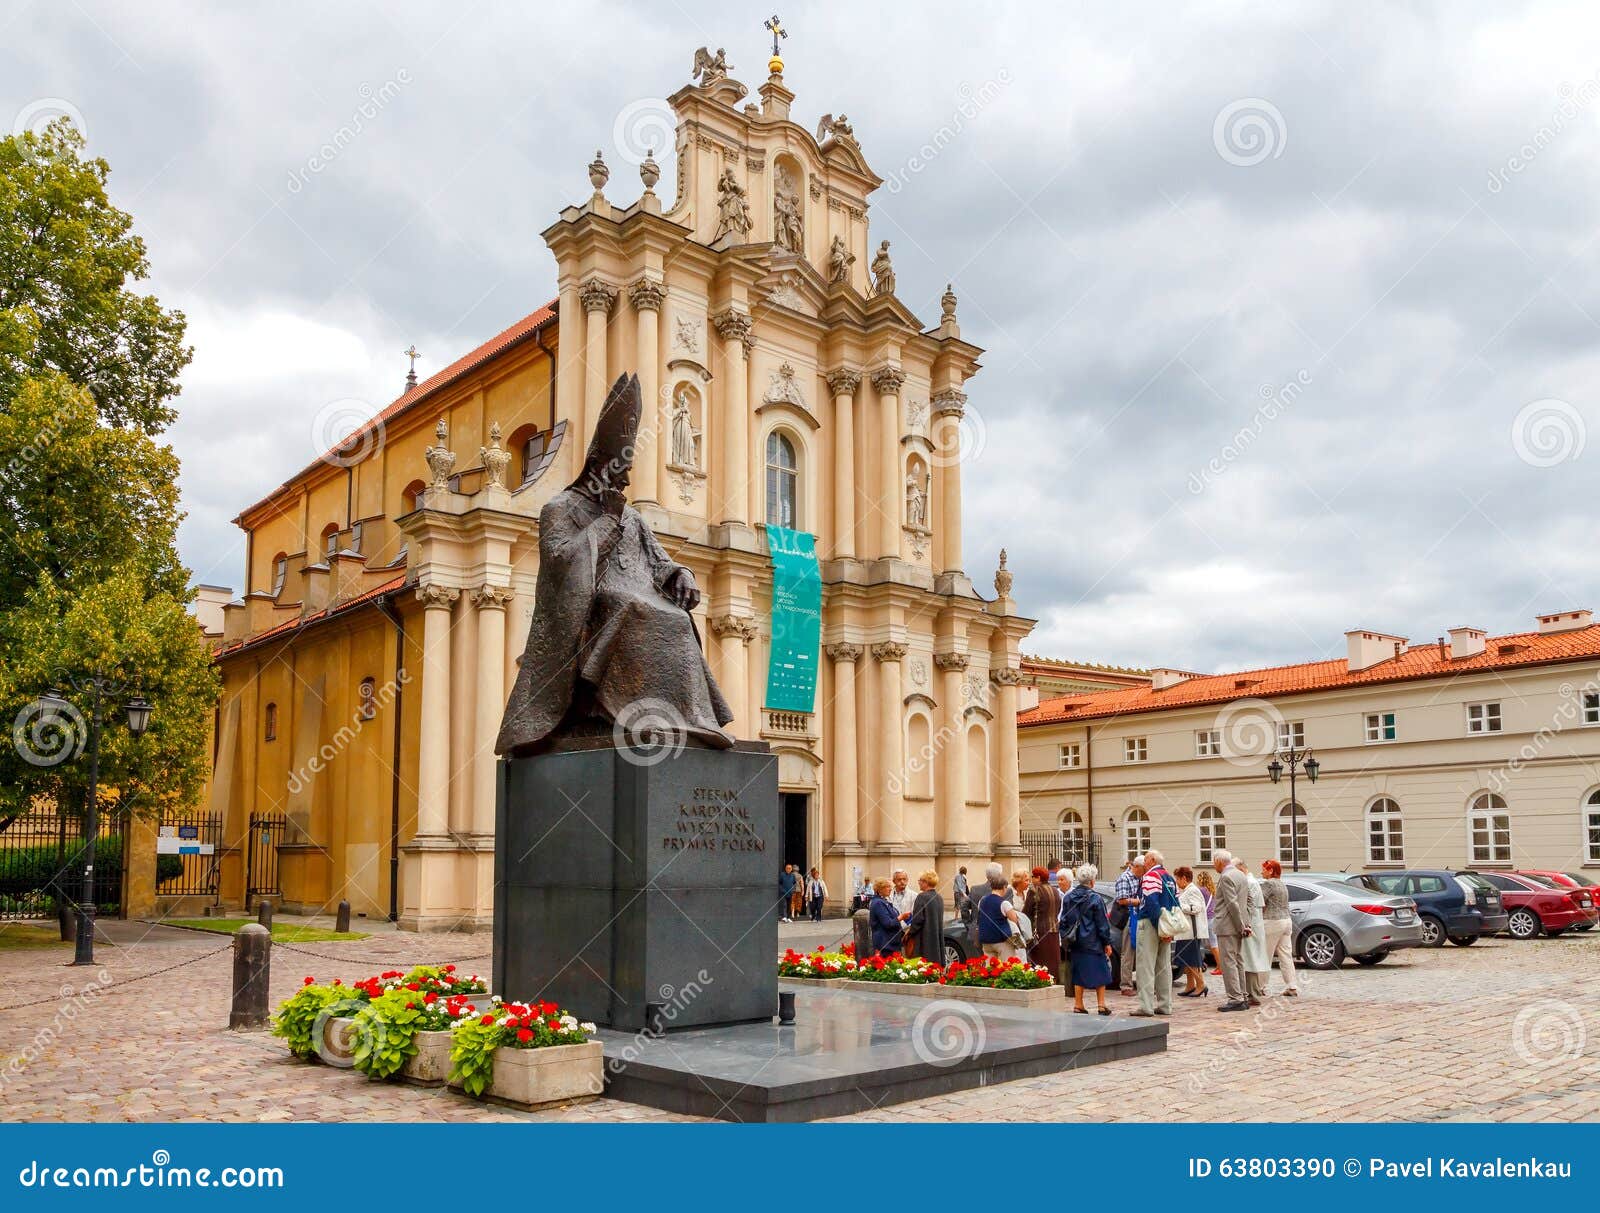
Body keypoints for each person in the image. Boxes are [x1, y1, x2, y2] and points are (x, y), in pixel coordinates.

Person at [1060, 864, 1115, 1015]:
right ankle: (1101, 1004)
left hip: (1075, 942)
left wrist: (1065, 937)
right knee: (1101, 972)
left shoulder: (1068, 897)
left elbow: (1063, 920)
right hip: (1093, 942)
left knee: (1078, 973)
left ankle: (1078, 1004)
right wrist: (1107, 942)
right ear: (1091, 881)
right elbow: (1102, 924)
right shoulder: (1096, 898)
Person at [1130, 849, 1177, 1018]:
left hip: (1150, 924)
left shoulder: (1151, 876)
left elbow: (1150, 903)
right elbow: (1174, 902)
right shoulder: (1169, 877)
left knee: (1145, 967)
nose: (1144, 861)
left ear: (1151, 860)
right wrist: (1168, 928)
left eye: (1146, 858)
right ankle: (1165, 1005)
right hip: (1166, 924)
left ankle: (1146, 1006)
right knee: (1164, 967)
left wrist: (1159, 926)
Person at [1212, 850, 1251, 1011]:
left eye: (1214, 862)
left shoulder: (1226, 877)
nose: (1214, 865)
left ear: (1220, 862)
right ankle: (1242, 995)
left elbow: (1232, 904)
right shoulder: (1241, 875)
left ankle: (1235, 998)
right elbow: (1247, 902)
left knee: (1228, 963)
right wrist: (1246, 924)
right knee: (1238, 961)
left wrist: (1241, 925)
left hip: (1228, 926)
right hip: (1237, 925)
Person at [1259, 859, 1299, 995]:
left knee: (1265, 955)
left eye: (1264, 869)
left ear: (1271, 871)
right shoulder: (1282, 884)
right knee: (1286, 955)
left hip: (1272, 921)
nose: (1261, 871)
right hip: (1286, 920)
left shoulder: (1268, 883)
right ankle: (1292, 986)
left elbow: (1260, 901)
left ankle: (1261, 987)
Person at [1173, 866, 1208, 998]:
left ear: (1184, 878)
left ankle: (1201, 985)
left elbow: (1196, 908)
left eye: (1177, 878)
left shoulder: (1192, 890)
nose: (1177, 881)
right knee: (1186, 960)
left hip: (1192, 932)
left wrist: (1179, 906)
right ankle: (1190, 985)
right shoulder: (1187, 890)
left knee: (1192, 960)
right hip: (1186, 932)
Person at [1023, 865, 1062, 981]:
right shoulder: (1055, 890)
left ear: (1038, 878)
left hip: (1039, 930)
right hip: (1054, 930)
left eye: (1033, 877)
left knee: (1040, 959)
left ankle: (1041, 981)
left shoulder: (1034, 890)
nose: (1031, 879)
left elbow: (1026, 912)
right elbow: (1058, 909)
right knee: (1053, 959)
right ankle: (1053, 981)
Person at [1111, 857, 1143, 996]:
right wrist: (1139, 901)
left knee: (1141, 953)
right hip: (1129, 918)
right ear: (1137, 866)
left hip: (1139, 917)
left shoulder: (1141, 877)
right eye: (1144, 869)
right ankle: (1126, 986)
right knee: (1128, 952)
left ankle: (1142, 984)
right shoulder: (1125, 878)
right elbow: (1122, 900)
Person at [1240, 856, 1268, 1005]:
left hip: (1251, 924)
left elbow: (1247, 906)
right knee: (1252, 959)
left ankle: (1252, 994)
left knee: (1250, 959)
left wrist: (1246, 925)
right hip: (1255, 923)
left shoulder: (1248, 882)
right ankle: (1253, 992)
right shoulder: (1253, 881)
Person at [976, 873, 1021, 959]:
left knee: (990, 969)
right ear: (1004, 887)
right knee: (1006, 969)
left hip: (986, 942)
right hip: (1002, 941)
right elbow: (1014, 920)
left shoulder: (982, 900)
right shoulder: (1004, 903)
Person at [904, 870, 945, 961]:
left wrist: (909, 933)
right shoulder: (939, 897)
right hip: (936, 939)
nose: (919, 883)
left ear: (926, 882)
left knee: (923, 967)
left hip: (923, 940)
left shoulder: (922, 897)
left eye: (920, 881)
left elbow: (917, 920)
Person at [1194, 866, 1221, 974]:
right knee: (1213, 944)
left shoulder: (1201, 890)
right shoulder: (1211, 890)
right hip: (1213, 918)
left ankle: (1220, 967)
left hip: (1207, 919)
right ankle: (1219, 965)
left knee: (1213, 945)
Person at [868, 878, 904, 957]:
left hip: (890, 943)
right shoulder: (878, 903)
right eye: (887, 887)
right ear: (880, 889)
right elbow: (888, 923)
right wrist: (900, 918)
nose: (890, 889)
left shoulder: (882, 901)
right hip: (886, 944)